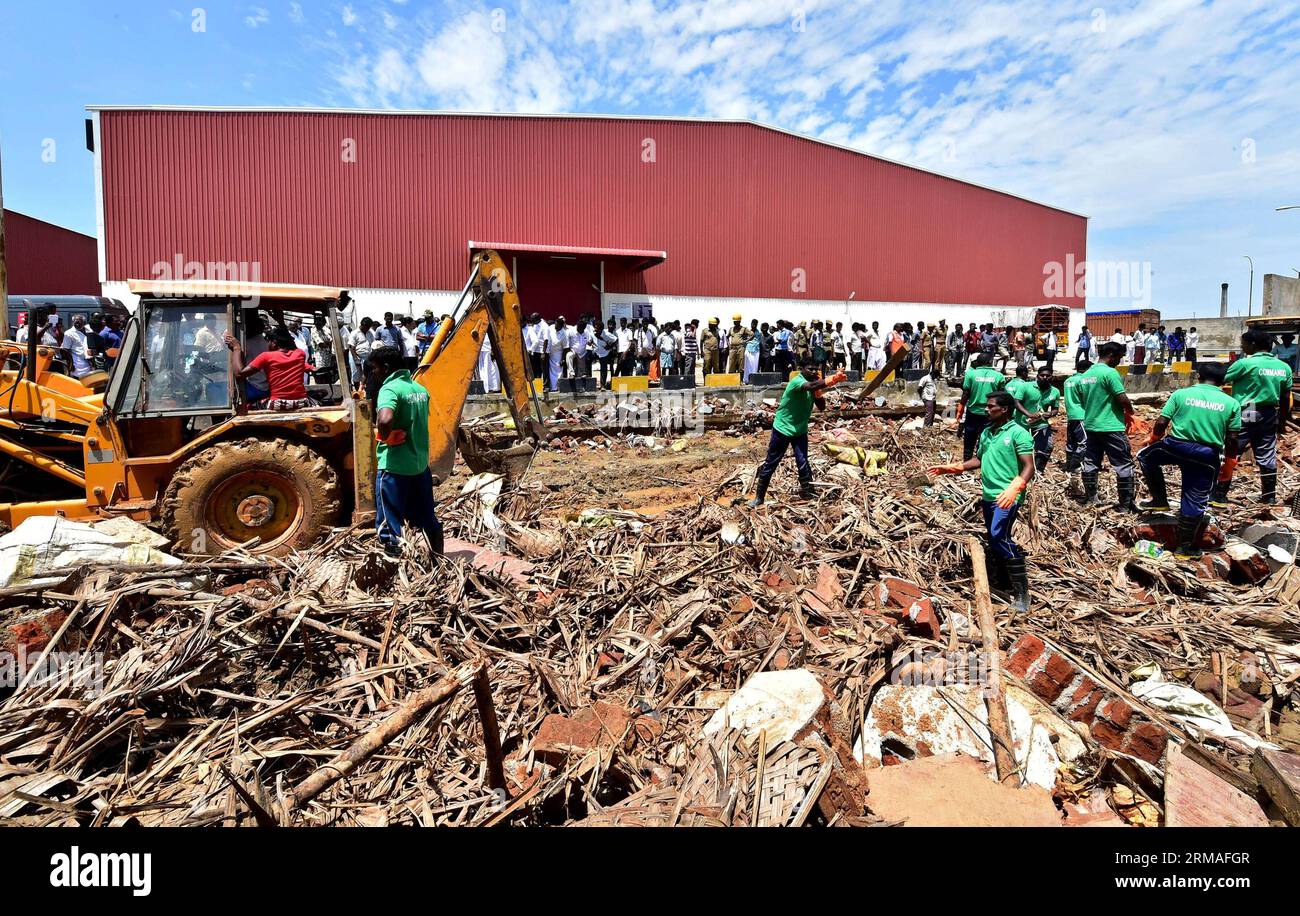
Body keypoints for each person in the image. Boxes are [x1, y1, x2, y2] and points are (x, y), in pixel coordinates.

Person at [928, 391, 1035, 613]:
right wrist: (956, 467)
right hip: (988, 495)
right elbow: (980, 458)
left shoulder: (1018, 433)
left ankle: (1022, 593)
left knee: (999, 537)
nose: (986, 409)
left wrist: (1016, 487)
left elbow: (1028, 467)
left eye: (990, 406)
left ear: (1004, 409)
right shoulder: (987, 432)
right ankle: (1002, 582)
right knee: (996, 538)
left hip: (1007, 495)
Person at [1137, 362, 1241, 558]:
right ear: (1222, 381)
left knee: (1145, 457)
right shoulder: (1231, 403)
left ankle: (1159, 501)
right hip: (1206, 455)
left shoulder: (1180, 394)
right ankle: (1185, 548)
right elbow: (1233, 438)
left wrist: (1153, 439)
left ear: (1198, 376)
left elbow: (1161, 422)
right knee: (1194, 499)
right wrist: (1229, 463)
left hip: (1175, 447)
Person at [366, 346, 442, 558]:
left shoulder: (389, 389)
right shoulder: (419, 390)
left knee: (389, 524)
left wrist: (384, 436)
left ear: (387, 368)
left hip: (394, 467)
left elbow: (385, 419)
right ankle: (439, 563)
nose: (375, 373)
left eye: (376, 368)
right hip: (419, 465)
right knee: (427, 518)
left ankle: (395, 568)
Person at [747, 359, 849, 506]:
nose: (814, 372)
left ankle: (808, 493)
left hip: (800, 430)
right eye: (810, 369)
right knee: (771, 463)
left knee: (803, 462)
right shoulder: (797, 382)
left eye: (816, 369)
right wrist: (832, 379)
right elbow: (810, 386)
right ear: (801, 369)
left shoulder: (814, 384)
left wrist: (818, 393)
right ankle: (759, 497)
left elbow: (821, 407)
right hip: (783, 429)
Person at [1214, 328, 1292, 505]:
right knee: (1267, 454)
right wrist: (1282, 420)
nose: (1242, 347)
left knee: (1231, 451)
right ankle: (1269, 496)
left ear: (1253, 345)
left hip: (1248, 410)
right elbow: (1286, 397)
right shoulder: (1283, 367)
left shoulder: (1245, 364)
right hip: (1269, 413)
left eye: (1244, 344)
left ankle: (1219, 494)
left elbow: (1221, 379)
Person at [1077, 341, 1137, 511]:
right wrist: (1130, 412)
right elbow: (1122, 398)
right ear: (1111, 356)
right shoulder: (1110, 373)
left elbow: (1085, 400)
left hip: (1091, 425)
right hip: (1111, 426)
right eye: (1119, 358)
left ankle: (1091, 499)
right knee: (1124, 464)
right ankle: (1126, 505)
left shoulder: (1086, 375)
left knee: (1090, 463)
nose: (1120, 361)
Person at [225, 325, 315, 410]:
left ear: (274, 343)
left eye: (268, 342)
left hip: (278, 404)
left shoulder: (266, 356)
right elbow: (293, 346)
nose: (267, 345)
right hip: (301, 402)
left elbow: (240, 374)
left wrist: (236, 348)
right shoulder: (300, 354)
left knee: (249, 406)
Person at [957, 351, 1006, 461]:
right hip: (991, 413)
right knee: (986, 437)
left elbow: (966, 393)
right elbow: (1002, 396)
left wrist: (960, 409)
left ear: (977, 362)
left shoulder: (970, 374)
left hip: (973, 411)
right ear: (990, 362)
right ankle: (982, 460)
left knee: (970, 436)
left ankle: (967, 460)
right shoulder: (999, 376)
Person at [1017, 366, 1061, 471]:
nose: (1045, 377)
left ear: (1052, 377)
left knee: (1046, 447)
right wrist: (1029, 414)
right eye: (1042, 375)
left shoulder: (1055, 392)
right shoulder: (1025, 386)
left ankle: (1038, 471)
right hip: (1022, 424)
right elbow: (1016, 402)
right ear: (1037, 376)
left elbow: (1055, 409)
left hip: (1041, 424)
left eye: (1048, 375)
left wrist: (1050, 414)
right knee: (1020, 448)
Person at [1062, 358, 1091, 474]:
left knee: (1071, 442)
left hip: (1071, 415)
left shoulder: (1067, 381)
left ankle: (1068, 464)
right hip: (1081, 414)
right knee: (1084, 441)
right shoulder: (1083, 380)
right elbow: (1086, 397)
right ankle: (1074, 465)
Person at [347, 317, 375, 385]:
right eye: (367, 327)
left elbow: (373, 344)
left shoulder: (370, 333)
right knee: (356, 375)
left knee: (366, 375)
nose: (368, 329)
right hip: (356, 355)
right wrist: (356, 359)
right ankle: (357, 391)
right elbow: (351, 347)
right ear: (363, 325)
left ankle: (363, 390)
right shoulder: (354, 333)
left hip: (367, 356)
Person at [547, 317, 568, 390]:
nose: (555, 327)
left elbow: (565, 348)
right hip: (549, 351)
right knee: (550, 371)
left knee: (558, 371)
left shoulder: (564, 334)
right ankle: (552, 387)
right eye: (555, 325)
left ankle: (556, 388)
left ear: (561, 326)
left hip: (558, 353)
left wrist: (562, 359)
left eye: (557, 326)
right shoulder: (551, 327)